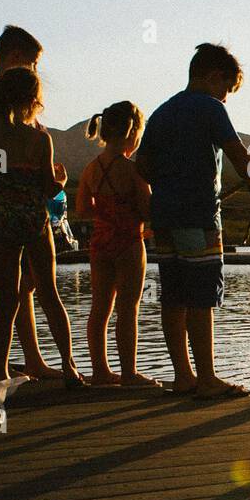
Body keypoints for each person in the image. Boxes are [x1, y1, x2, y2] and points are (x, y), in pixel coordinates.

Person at [135, 44, 250, 400]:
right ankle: (207, 378)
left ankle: (182, 376)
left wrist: (168, 180)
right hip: (198, 215)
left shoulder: (162, 112)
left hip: (165, 216)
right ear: (214, 76)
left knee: (174, 295)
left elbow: (142, 166)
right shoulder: (210, 107)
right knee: (202, 295)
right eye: (228, 89)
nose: (226, 97)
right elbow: (236, 151)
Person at [0, 67, 84, 387]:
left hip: (3, 224)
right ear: (34, 101)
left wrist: (3, 187)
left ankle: (1, 371)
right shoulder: (39, 139)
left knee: (6, 298)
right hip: (35, 223)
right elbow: (50, 188)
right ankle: (69, 367)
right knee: (49, 294)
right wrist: (61, 179)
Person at [0, 25, 61, 380]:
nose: (36, 71)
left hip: (4, 211)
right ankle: (14, 359)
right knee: (25, 287)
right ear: (15, 57)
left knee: (17, 286)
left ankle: (18, 359)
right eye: (33, 63)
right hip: (16, 212)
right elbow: (1, 161)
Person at [77, 101, 159, 388]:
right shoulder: (134, 170)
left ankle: (100, 371)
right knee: (128, 308)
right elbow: (148, 210)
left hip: (100, 244)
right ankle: (128, 373)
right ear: (132, 131)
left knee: (99, 308)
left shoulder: (90, 169)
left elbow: (83, 209)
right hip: (128, 243)